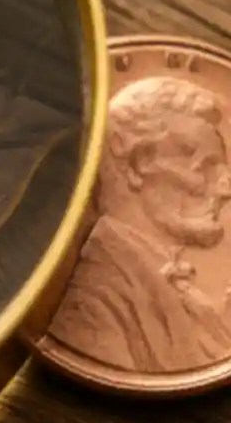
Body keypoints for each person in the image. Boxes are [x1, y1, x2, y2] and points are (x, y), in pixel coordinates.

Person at [50, 76, 231, 372]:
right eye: (206, 167)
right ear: (138, 165)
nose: (226, 190)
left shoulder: (183, 293)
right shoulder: (92, 301)